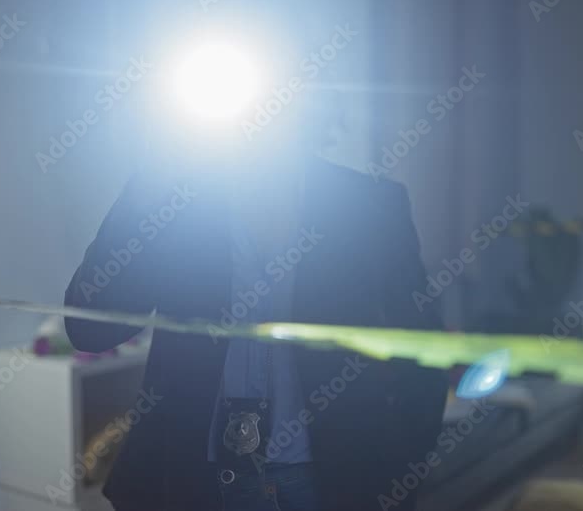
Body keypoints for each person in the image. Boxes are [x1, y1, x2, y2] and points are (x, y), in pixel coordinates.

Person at [63, 63, 448, 510]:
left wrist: (402, 471)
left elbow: (423, 354)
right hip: (189, 479)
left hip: (330, 480)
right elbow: (89, 329)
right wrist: (151, 178)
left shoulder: (369, 204)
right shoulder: (176, 201)